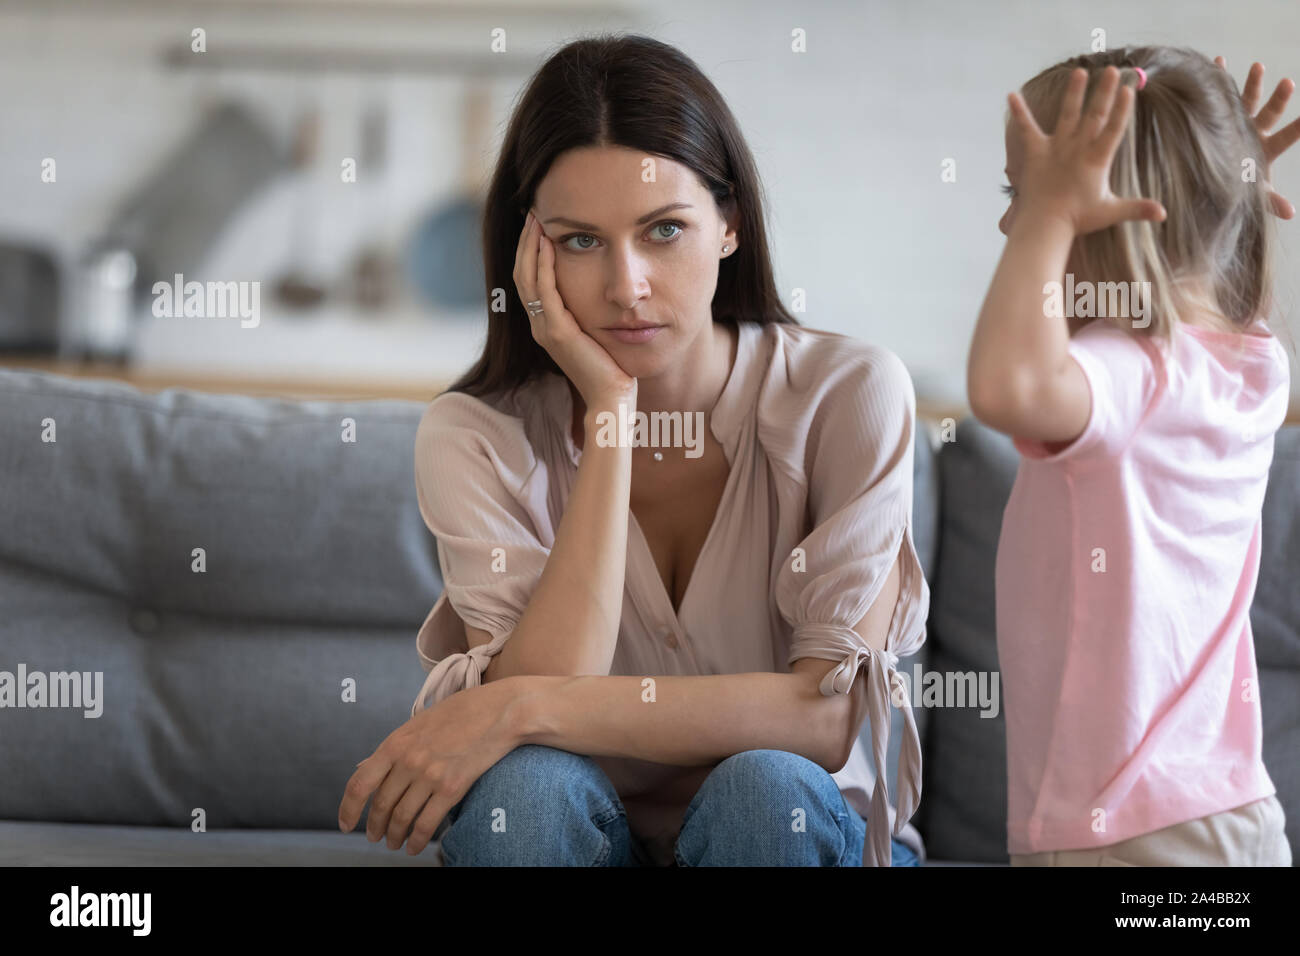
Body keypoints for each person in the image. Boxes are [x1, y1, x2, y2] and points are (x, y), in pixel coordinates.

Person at [337, 33, 930, 866]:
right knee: (526, 795)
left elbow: (824, 719)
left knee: (763, 789)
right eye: (580, 241)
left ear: (728, 223)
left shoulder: (848, 393)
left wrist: (514, 707)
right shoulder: (475, 434)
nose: (626, 287)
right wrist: (609, 412)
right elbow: (537, 717)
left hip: (790, 834)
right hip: (579, 831)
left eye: (663, 230)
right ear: (528, 251)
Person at [967, 46, 1298, 866]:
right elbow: (1211, 274)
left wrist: (1049, 220)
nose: (1013, 223)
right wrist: (1223, 191)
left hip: (1126, 834)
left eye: (1029, 194)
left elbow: (1004, 385)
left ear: (1105, 217)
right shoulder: (1254, 364)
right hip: (1227, 817)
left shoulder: (1127, 378)